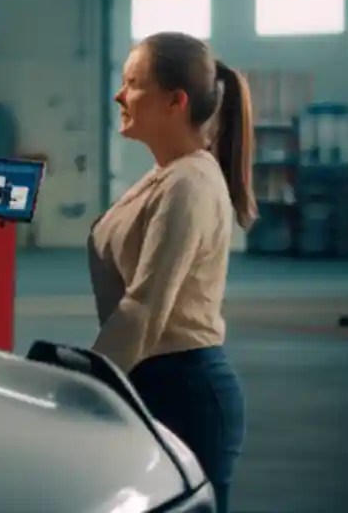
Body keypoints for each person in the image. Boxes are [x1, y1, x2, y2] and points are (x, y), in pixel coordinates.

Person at [88, 31, 252, 513]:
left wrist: (86, 382)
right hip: (153, 379)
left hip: (186, 391)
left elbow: (144, 307)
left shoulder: (189, 182)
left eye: (133, 83)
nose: (119, 95)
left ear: (175, 101)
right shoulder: (166, 174)